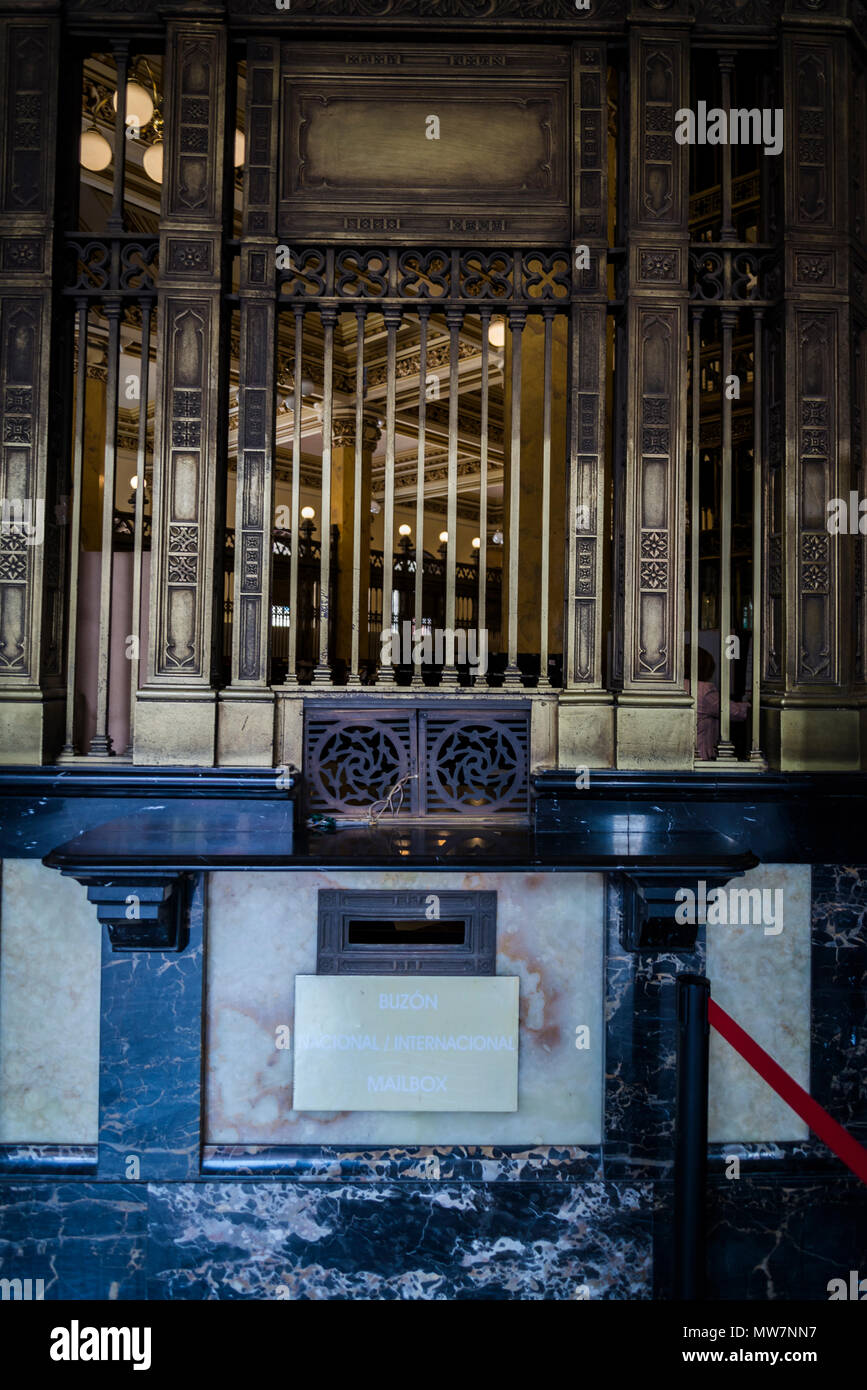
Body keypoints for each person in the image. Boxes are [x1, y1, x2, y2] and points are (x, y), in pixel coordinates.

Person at [684, 645, 749, 761]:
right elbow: (736, 712)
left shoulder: (674, 687)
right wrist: (752, 702)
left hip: (675, 756)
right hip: (700, 758)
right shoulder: (703, 690)